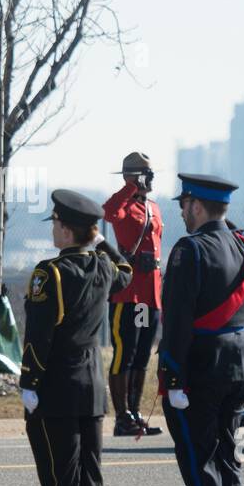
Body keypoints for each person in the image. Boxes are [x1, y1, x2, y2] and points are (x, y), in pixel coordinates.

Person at [19, 191, 132, 486]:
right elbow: (127, 270)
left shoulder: (48, 274)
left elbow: (38, 337)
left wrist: (28, 382)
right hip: (91, 388)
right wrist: (101, 240)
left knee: (60, 485)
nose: (52, 229)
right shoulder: (102, 267)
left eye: (55, 223)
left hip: (56, 389)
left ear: (66, 231)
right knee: (90, 480)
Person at [157, 174, 244, 486]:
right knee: (228, 461)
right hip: (241, 363)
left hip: (201, 369)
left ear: (196, 206)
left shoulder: (190, 250)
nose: (181, 212)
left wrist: (172, 377)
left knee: (201, 464)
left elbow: (178, 322)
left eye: (184, 205)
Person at [102, 152, 163, 436]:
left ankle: (135, 413)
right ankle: (121, 417)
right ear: (134, 177)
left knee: (141, 355)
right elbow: (109, 211)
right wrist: (130, 186)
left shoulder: (153, 207)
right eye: (146, 175)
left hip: (150, 295)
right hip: (129, 294)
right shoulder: (124, 206)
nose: (151, 180)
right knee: (123, 354)